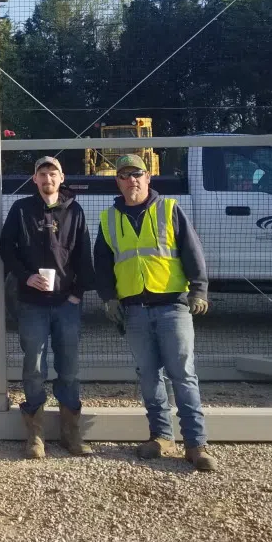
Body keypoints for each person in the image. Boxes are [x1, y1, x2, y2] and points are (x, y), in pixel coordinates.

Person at [94, 153, 216, 472]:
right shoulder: (109, 219)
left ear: (148, 178)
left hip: (172, 306)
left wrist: (199, 289)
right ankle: (161, 436)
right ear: (118, 182)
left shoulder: (169, 209)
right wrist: (109, 299)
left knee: (183, 375)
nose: (131, 180)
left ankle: (196, 444)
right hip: (134, 309)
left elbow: (192, 251)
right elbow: (102, 264)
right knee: (148, 376)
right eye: (124, 176)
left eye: (137, 174)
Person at [0, 156, 94, 459]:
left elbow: (83, 254)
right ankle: (35, 435)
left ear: (61, 178)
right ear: (35, 179)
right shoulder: (21, 209)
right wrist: (26, 277)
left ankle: (71, 433)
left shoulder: (75, 211)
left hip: (66, 303)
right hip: (31, 304)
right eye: (42, 174)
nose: (48, 178)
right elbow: (6, 248)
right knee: (34, 367)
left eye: (53, 173)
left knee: (69, 368)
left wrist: (77, 293)